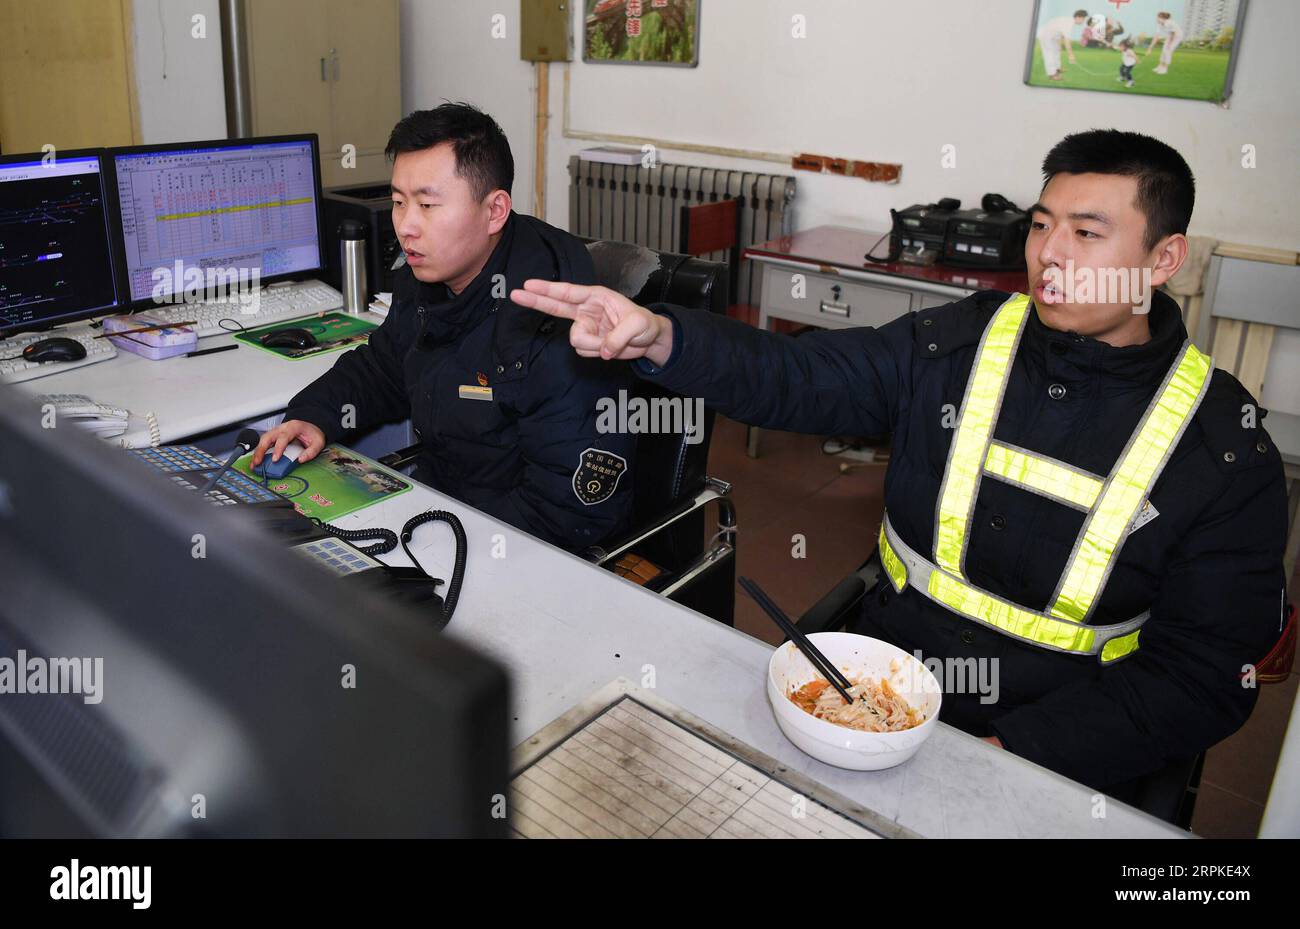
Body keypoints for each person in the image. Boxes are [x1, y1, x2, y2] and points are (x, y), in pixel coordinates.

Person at [512, 130, 1289, 797]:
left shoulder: (1223, 445)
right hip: (877, 682)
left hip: (1064, 737)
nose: (1047, 255)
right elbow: (803, 376)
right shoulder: (960, 342)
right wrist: (662, 338)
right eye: (1041, 224)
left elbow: (1203, 674)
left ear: (1164, 259)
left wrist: (1016, 755)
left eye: (1086, 234)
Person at [253, 103, 637, 553]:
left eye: (428, 205)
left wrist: (433, 544)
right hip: (442, 512)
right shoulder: (427, 277)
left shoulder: (561, 324)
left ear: (495, 211)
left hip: (512, 545)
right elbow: (383, 367)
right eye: (398, 202)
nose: (405, 227)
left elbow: (569, 514)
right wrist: (315, 415)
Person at [1037, 9, 1087, 81]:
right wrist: (1071, 55)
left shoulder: (1069, 21)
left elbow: (1063, 35)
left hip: (1053, 36)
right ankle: (1052, 74)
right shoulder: (1068, 23)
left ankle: (1057, 68)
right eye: (1083, 19)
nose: (1083, 21)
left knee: (1057, 50)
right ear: (1078, 17)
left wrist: (1060, 44)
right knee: (1049, 54)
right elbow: (1067, 41)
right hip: (1045, 35)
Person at [1146, 11, 1184, 75]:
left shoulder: (1169, 23)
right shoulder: (1159, 24)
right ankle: (1160, 67)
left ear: (1162, 18)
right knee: (1163, 50)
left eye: (1158, 18)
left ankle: (1165, 68)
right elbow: (1156, 36)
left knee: (1168, 51)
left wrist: (1169, 44)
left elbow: (1173, 33)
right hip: (1170, 36)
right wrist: (1150, 48)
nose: (1156, 19)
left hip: (1177, 36)